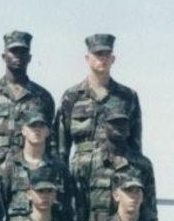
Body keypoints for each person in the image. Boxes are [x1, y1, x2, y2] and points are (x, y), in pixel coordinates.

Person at [0, 30, 55, 169]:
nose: (18, 56)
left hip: (30, 170)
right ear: (4, 56)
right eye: (14, 51)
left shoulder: (42, 97)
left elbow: (50, 140)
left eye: (23, 52)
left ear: (30, 57)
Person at [54, 33, 142, 166]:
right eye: (98, 54)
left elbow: (135, 145)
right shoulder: (72, 96)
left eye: (107, 54)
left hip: (117, 175)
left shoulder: (127, 96)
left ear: (113, 58)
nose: (103, 59)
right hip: (80, 178)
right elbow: (61, 147)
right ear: (87, 58)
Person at [73, 99, 158, 221]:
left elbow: (150, 210)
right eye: (114, 123)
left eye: (123, 123)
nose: (119, 128)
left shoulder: (142, 165)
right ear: (103, 127)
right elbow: (77, 208)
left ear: (130, 128)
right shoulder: (86, 162)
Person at [0, 109, 75, 221]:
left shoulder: (59, 169)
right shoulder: (9, 167)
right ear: (23, 131)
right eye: (32, 126)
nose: (37, 130)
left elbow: (68, 208)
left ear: (48, 131)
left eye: (41, 126)